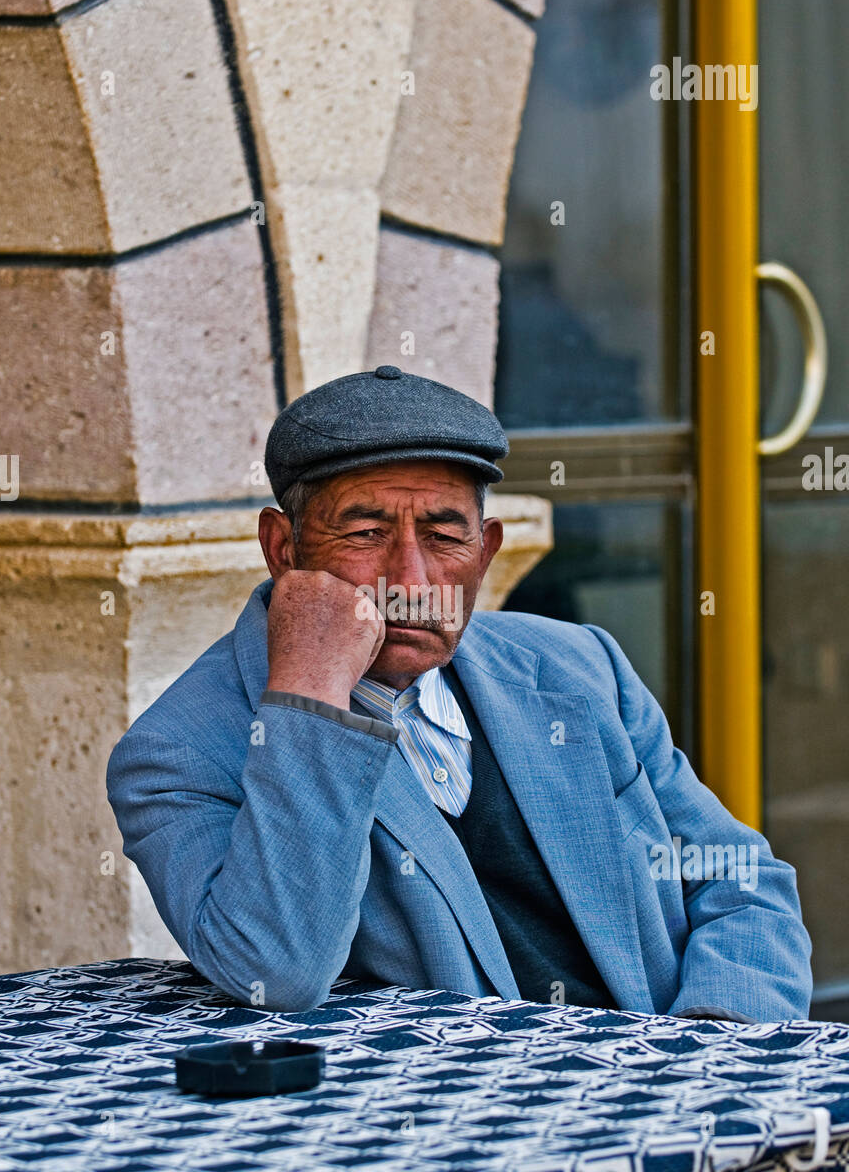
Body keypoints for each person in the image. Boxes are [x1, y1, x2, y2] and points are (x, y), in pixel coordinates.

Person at [107, 365, 813, 1022]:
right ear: (283, 549)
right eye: (365, 531)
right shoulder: (178, 754)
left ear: (487, 550)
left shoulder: (579, 666)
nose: (411, 579)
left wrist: (708, 1059)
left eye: (445, 535)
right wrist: (310, 695)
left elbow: (740, 880)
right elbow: (276, 971)